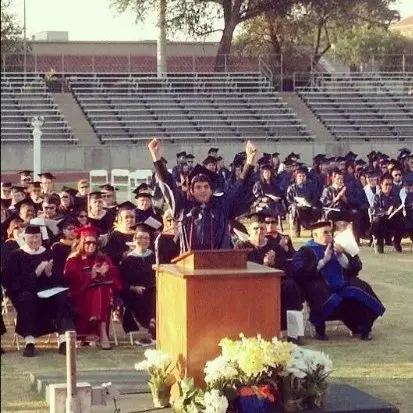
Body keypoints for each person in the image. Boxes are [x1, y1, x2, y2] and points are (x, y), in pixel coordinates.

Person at [148, 138, 257, 251]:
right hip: (190, 263)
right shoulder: (184, 207)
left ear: (211, 190)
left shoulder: (221, 205)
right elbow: (169, 185)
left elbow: (238, 188)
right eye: (198, 187)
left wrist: (250, 161)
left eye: (206, 186)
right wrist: (156, 157)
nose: (203, 190)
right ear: (192, 191)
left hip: (220, 261)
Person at [292, 220, 385, 341]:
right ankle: (320, 330)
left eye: (330, 232)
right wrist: (323, 261)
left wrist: (341, 255)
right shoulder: (306, 250)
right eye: (325, 232)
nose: (329, 235)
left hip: (343, 281)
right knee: (319, 292)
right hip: (319, 282)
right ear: (315, 235)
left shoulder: (340, 246)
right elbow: (300, 273)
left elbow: (356, 266)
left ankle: (364, 328)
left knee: (361, 288)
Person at [3, 225, 75, 357]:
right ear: (24, 238)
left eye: (37, 237)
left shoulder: (49, 253)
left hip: (47, 293)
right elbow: (11, 283)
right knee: (27, 298)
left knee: (61, 296)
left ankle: (63, 340)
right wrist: (35, 273)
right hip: (25, 294)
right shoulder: (16, 256)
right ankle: (29, 341)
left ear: (41, 238)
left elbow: (60, 280)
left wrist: (49, 274)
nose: (35, 240)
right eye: (31, 237)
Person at [235, 211, 304, 342]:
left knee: (291, 287)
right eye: (255, 228)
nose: (259, 231)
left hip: (274, 284)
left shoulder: (274, 247)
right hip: (251, 286)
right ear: (249, 230)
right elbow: (240, 270)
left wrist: (272, 265)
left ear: (265, 229)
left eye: (262, 228)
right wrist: (264, 264)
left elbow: (286, 270)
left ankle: (295, 333)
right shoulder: (242, 247)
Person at [63, 226, 122, 349]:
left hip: (101, 293)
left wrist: (105, 273)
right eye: (87, 242)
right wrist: (92, 276)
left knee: (101, 290)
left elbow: (115, 277)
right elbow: (69, 279)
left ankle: (96, 321)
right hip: (80, 295)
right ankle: (102, 333)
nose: (91, 245)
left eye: (94, 243)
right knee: (99, 291)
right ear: (81, 243)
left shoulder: (103, 258)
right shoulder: (73, 259)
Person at [119, 224, 156, 345]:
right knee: (148, 300)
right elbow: (122, 280)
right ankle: (153, 329)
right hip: (134, 294)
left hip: (153, 290)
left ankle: (155, 331)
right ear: (134, 240)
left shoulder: (154, 256)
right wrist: (134, 287)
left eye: (146, 238)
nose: (143, 241)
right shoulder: (127, 258)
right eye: (140, 237)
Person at [369, 173, 405, 253]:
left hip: (392, 220)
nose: (388, 186)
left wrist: (395, 210)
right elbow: (374, 209)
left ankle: (396, 242)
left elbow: (399, 207)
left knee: (402, 220)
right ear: (381, 184)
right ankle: (379, 243)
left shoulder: (395, 196)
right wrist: (386, 212)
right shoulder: (376, 196)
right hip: (381, 221)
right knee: (377, 221)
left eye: (390, 184)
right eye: (386, 184)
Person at [286, 167, 321, 234]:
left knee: (315, 209)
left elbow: (315, 198)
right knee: (297, 210)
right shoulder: (291, 188)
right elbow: (289, 200)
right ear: (296, 178)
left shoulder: (311, 187)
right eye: (300, 176)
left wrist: (310, 204)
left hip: (309, 206)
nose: (302, 178)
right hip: (297, 206)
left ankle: (311, 227)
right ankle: (299, 229)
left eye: (303, 176)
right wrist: (296, 204)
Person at [105, 201, 137, 266]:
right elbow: (110, 254)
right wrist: (124, 254)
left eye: (132, 217)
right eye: (126, 217)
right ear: (120, 219)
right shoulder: (114, 235)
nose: (130, 219)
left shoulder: (139, 232)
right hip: (121, 267)